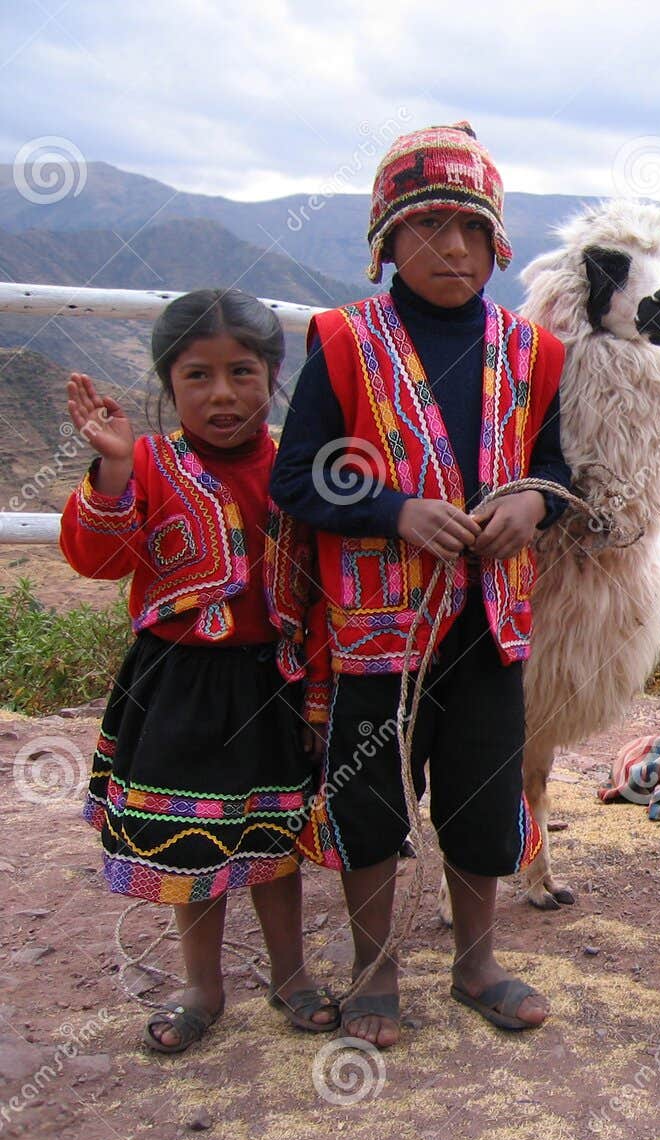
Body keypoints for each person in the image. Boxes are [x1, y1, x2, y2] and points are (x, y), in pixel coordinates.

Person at [269, 122, 569, 1047]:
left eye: (472, 230)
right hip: (377, 629)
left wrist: (532, 502)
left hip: (487, 625)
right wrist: (395, 510)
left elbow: (556, 474)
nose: (453, 249)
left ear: (498, 243)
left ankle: (476, 963)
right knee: (371, 797)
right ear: (385, 240)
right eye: (428, 227)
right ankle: (374, 971)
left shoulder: (532, 353)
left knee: (485, 790)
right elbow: (299, 475)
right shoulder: (344, 342)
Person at [59, 289, 336, 1052]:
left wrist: (318, 700)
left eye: (242, 372)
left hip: (273, 683)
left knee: (274, 837)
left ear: (275, 375)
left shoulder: (297, 471)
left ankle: (292, 976)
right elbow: (96, 558)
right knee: (192, 840)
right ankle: (201, 988)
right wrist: (113, 474)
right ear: (168, 383)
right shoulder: (146, 464)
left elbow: (316, 593)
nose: (222, 394)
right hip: (178, 683)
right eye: (197, 376)